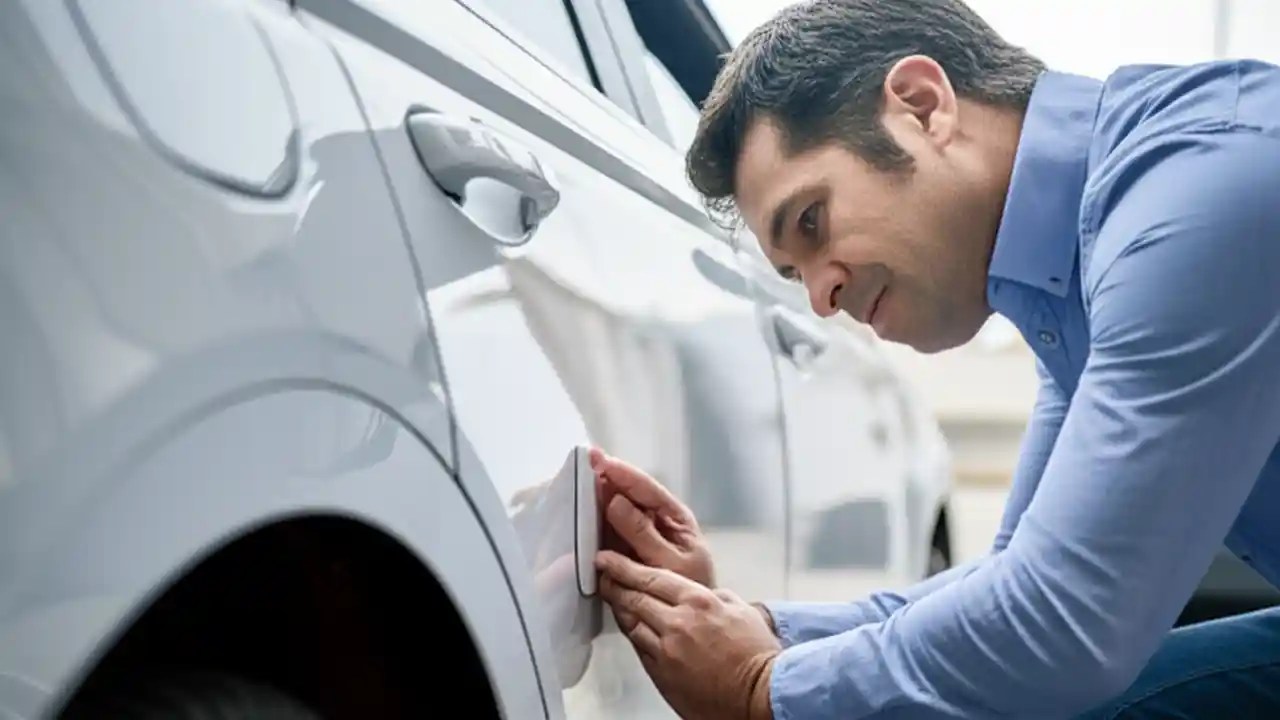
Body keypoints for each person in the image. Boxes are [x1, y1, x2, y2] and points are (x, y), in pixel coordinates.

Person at [588, 0, 1280, 717]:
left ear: (922, 106)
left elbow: (1065, 621)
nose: (821, 298)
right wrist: (754, 631)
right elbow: (1014, 576)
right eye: (794, 273)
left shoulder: (1191, 202)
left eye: (812, 221)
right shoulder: (1067, 278)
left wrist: (761, 690)